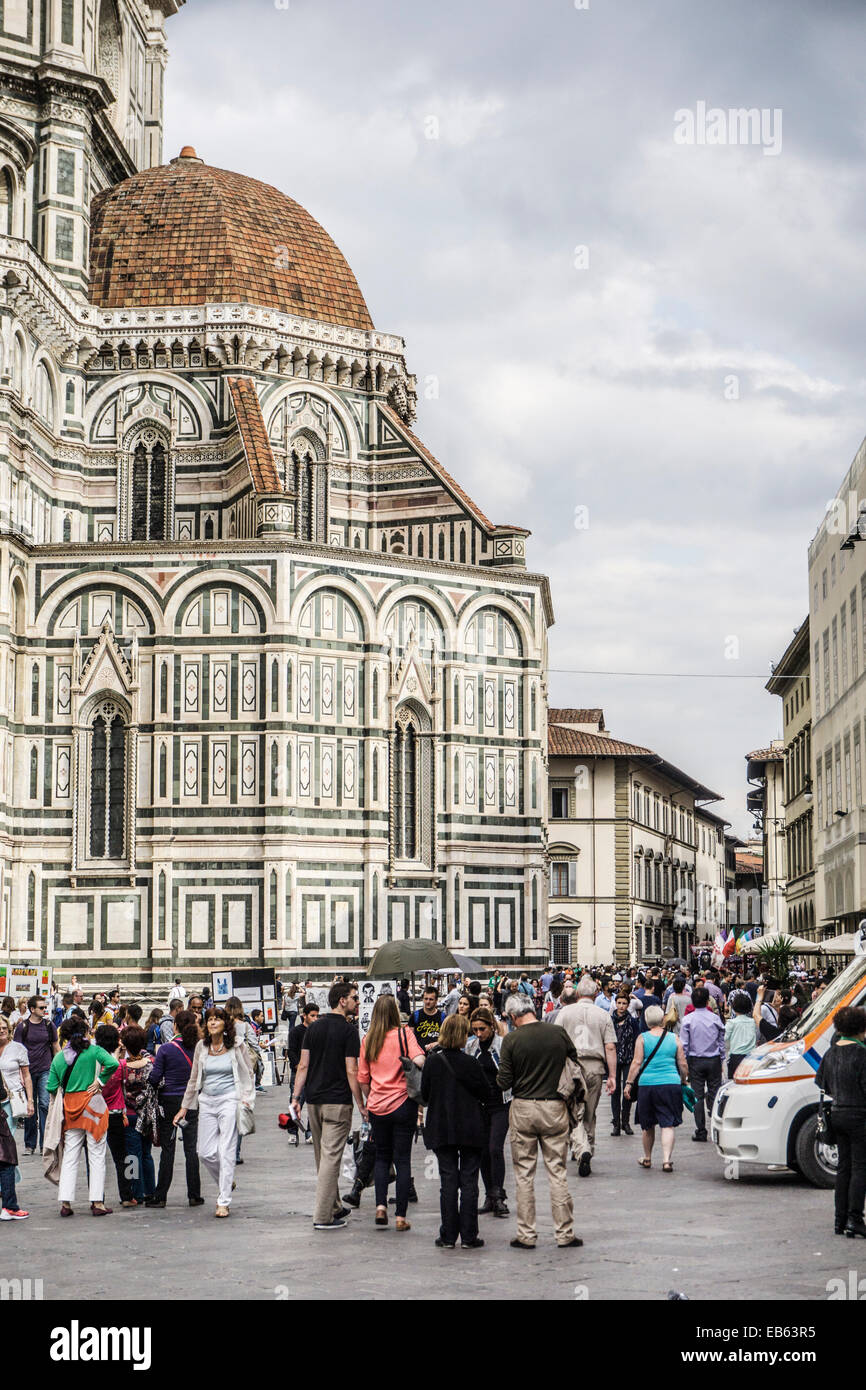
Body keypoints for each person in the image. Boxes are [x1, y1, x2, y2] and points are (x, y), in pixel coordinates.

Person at [496, 996, 582, 1249]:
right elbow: (573, 1061)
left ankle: (526, 1234)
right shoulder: (558, 1033)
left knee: (524, 1174)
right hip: (554, 1106)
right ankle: (564, 1233)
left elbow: (504, 1082)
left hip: (523, 1107)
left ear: (513, 1017)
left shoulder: (511, 1039)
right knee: (557, 1172)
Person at [290, 981, 366, 1231]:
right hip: (337, 1101)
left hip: (314, 1101)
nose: (357, 1002)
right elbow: (352, 1070)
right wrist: (361, 1104)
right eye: (354, 998)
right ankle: (323, 1216)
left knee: (323, 1157)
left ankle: (334, 1205)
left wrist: (295, 1098)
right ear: (342, 1000)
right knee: (331, 1158)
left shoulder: (314, 1027)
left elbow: (302, 1065)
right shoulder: (348, 1031)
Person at [175, 1006, 255, 1218]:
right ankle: (226, 1180)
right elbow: (194, 1080)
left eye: (217, 1019)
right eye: (209, 1019)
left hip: (230, 1099)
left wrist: (246, 1100)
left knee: (226, 1149)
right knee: (205, 1151)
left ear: (225, 1024)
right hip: (207, 1101)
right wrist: (184, 1108)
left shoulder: (237, 1046)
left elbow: (248, 1073)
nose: (212, 1023)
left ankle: (223, 1201)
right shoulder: (202, 1046)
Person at [357, 994, 423, 1231]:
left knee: (382, 1158)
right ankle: (401, 1217)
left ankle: (380, 1207)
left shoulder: (368, 1040)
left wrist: (369, 1098)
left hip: (377, 1106)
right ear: (396, 1013)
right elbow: (420, 1060)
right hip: (404, 1104)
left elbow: (362, 1078)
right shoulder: (406, 1035)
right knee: (402, 1160)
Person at [421, 1013, 487, 1249]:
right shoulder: (471, 1062)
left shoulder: (432, 1061)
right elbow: (485, 1093)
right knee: (469, 1180)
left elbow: (425, 1095)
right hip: (470, 1126)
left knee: (448, 1180)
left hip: (441, 1126)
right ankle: (469, 1235)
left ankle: (448, 1235)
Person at [47, 1016, 118, 1216]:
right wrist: (100, 1081)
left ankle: (66, 1203)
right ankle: (97, 1203)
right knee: (96, 1156)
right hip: (93, 1106)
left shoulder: (59, 1058)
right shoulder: (94, 1051)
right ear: (86, 1032)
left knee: (70, 1156)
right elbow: (112, 1063)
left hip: (70, 1109)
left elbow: (50, 1086)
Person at [552, 975, 616, 1174]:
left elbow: (555, 1043)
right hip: (595, 1068)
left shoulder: (565, 1012)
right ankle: (587, 1146)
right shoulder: (603, 1014)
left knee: (572, 1110)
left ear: (578, 993)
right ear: (596, 994)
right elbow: (610, 1047)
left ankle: (581, 1149)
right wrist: (612, 1076)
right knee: (589, 1111)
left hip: (571, 1066)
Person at [815, 1005, 866, 1237]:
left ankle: (840, 1219)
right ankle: (855, 1218)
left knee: (843, 1167)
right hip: (859, 1115)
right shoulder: (862, 1054)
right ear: (861, 1028)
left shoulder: (831, 1053)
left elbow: (822, 1084)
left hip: (837, 1113)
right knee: (860, 1168)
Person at [146, 1009, 203, 1208]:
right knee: (190, 1149)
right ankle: (194, 1194)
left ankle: (160, 1195)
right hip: (191, 1102)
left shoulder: (166, 1049)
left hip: (169, 1101)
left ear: (175, 1026)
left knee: (168, 1150)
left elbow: (154, 1077)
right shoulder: (199, 1048)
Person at [625, 1005, 689, 1170]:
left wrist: (629, 1083)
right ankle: (666, 1160)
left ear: (646, 1021)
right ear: (662, 1020)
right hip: (670, 1083)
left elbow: (637, 1063)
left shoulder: (642, 1038)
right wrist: (683, 1080)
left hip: (647, 1085)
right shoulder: (674, 1038)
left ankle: (647, 1157)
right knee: (667, 1124)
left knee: (648, 1125)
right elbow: (682, 1062)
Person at [465, 1007, 510, 1216]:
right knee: (482, 1151)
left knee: (495, 1148)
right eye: (475, 1029)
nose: (479, 1034)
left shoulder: (502, 1045)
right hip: (478, 1105)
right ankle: (490, 1195)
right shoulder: (470, 1046)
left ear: (491, 1026)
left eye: (482, 1029)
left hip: (500, 1103)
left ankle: (499, 1195)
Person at [14, 996, 59, 1157]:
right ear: (32, 1009)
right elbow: (17, 1050)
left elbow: (55, 1046)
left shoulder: (49, 1025)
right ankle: (29, 1144)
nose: (44, 1010)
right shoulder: (22, 1027)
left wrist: (59, 1067)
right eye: (41, 1008)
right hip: (27, 1071)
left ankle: (44, 1144)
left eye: (45, 1008)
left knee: (45, 1105)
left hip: (46, 1069)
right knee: (29, 1109)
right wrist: (18, 1071)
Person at [680, 985, 726, 1142]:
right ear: (708, 1001)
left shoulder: (688, 1020)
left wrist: (683, 1065)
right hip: (713, 1059)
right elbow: (721, 1040)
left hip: (695, 1060)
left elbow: (684, 1045)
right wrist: (721, 1058)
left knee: (697, 1096)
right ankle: (715, 1128)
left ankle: (701, 1130)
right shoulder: (715, 1018)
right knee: (714, 1094)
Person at [119, 1026, 156, 1205]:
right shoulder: (150, 1064)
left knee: (132, 1155)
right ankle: (151, 1190)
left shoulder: (122, 1066)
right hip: (146, 1113)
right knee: (146, 1153)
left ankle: (136, 1192)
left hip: (129, 1114)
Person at [286, 1001, 319, 1144]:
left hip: (314, 1073)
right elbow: (291, 1051)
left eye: (317, 1016)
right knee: (296, 1101)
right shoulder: (295, 1031)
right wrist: (296, 1065)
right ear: (304, 1016)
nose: (315, 1019)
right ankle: (293, 1132)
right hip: (298, 1072)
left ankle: (310, 1132)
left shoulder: (317, 1031)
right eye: (312, 1016)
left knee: (314, 1103)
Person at [0, 1013, 33, 1149]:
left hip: (11, 1098)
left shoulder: (18, 1048)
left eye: (4, 1028)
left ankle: (7, 1169)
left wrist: (30, 1100)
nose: (1, 1031)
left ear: (9, 1029)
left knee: (8, 1139)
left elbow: (26, 1076)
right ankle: (10, 1170)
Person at [610, 993, 639, 1136]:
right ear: (615, 1003)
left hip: (629, 1058)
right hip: (614, 1059)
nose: (621, 1006)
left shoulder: (632, 1021)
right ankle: (616, 1123)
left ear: (628, 1005)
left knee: (627, 1091)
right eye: (619, 1003)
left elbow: (637, 1040)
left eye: (624, 1003)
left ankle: (625, 1122)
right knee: (615, 1091)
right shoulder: (609, 1020)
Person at [725, 992, 758, 1081]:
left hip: (735, 1057)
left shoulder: (731, 1023)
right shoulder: (753, 1022)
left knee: (734, 1083)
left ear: (734, 1008)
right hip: (751, 1057)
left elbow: (724, 1038)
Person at [411, 987, 444, 1052]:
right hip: (419, 1054)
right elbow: (410, 1038)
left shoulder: (442, 1016)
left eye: (431, 999)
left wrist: (437, 1044)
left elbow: (447, 1038)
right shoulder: (415, 1015)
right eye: (426, 999)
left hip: (438, 1054)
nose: (428, 1002)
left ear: (436, 1001)